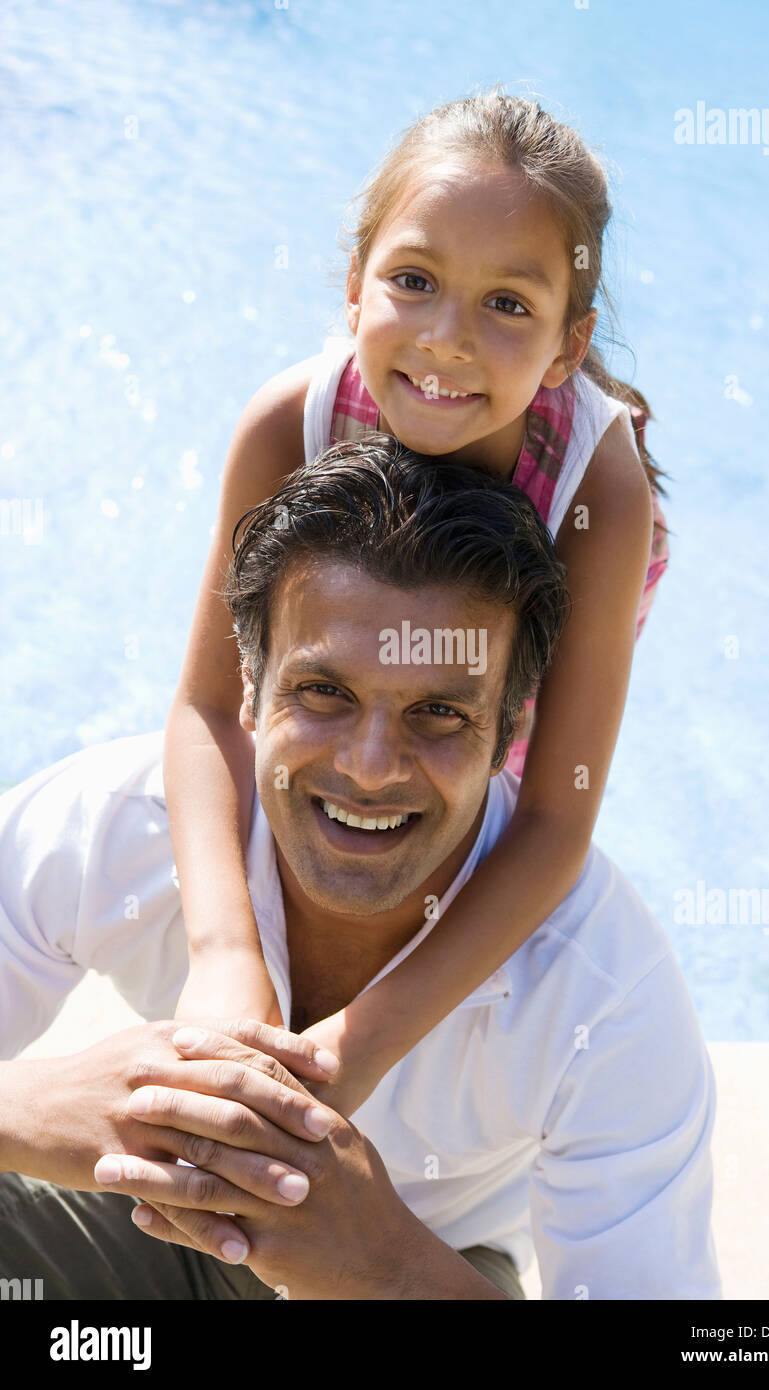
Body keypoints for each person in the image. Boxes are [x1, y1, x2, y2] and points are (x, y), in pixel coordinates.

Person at [0, 441, 719, 1300]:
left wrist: (378, 1260)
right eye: (325, 694)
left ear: (506, 737)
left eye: (440, 713)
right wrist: (36, 1105)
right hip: (140, 1220)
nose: (372, 767)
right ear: (250, 680)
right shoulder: (117, 824)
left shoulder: (605, 993)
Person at [164, 88, 672, 1115]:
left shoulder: (598, 496)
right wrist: (226, 955)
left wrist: (365, 1040)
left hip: (494, 726)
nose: (445, 339)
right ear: (353, 289)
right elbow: (208, 707)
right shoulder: (289, 422)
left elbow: (552, 809)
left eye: (507, 305)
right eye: (413, 280)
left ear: (568, 347)